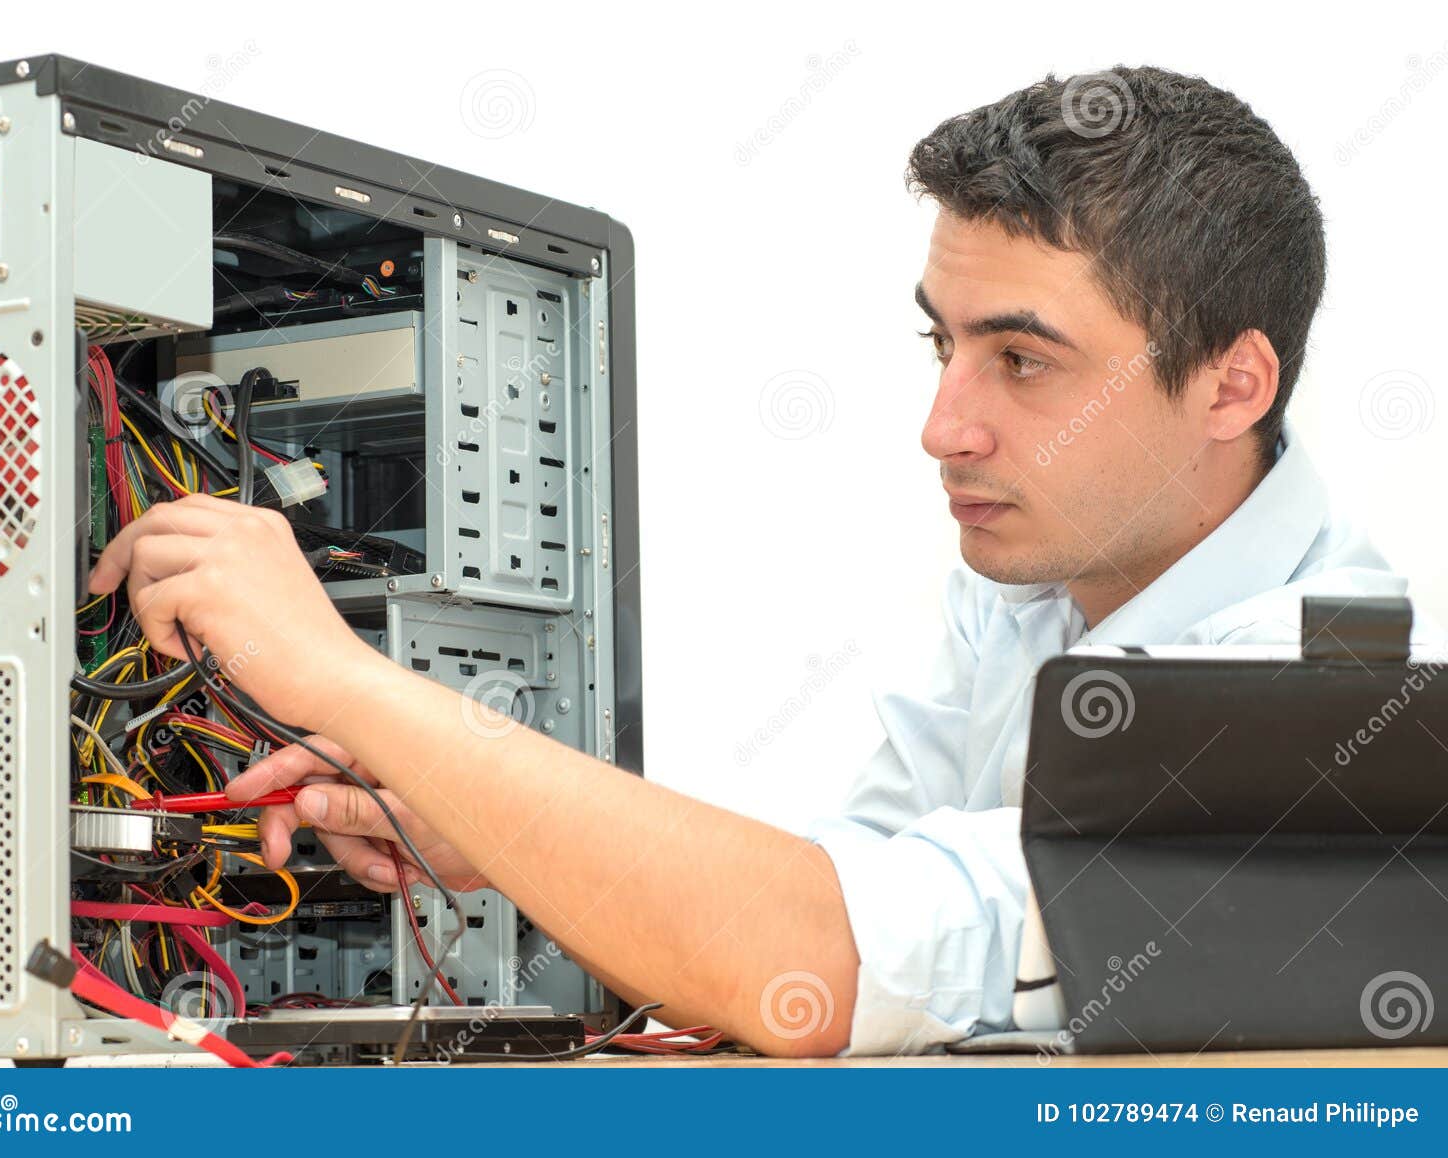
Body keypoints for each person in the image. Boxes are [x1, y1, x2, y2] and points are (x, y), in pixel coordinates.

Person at [88, 65, 1412, 1057]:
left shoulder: (1330, 692)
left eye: (1022, 359)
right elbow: (845, 885)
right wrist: (496, 835)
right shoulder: (1025, 595)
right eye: (938, 347)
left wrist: (349, 680)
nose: (944, 425)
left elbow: (818, 960)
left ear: (1233, 383)